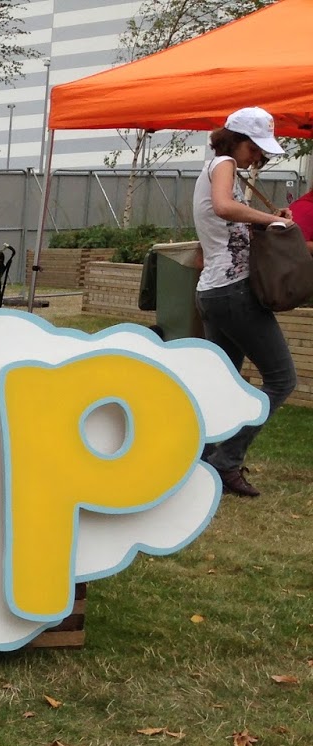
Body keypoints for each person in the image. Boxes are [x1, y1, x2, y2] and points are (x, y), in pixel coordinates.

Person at [192, 106, 299, 498]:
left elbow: (223, 222)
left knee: (224, 385)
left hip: (214, 291)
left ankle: (196, 461)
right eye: (256, 149)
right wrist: (273, 222)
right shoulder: (222, 164)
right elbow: (222, 207)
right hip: (233, 291)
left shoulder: (220, 169)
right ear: (239, 140)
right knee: (282, 379)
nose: (259, 158)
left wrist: (264, 220)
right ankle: (226, 462)